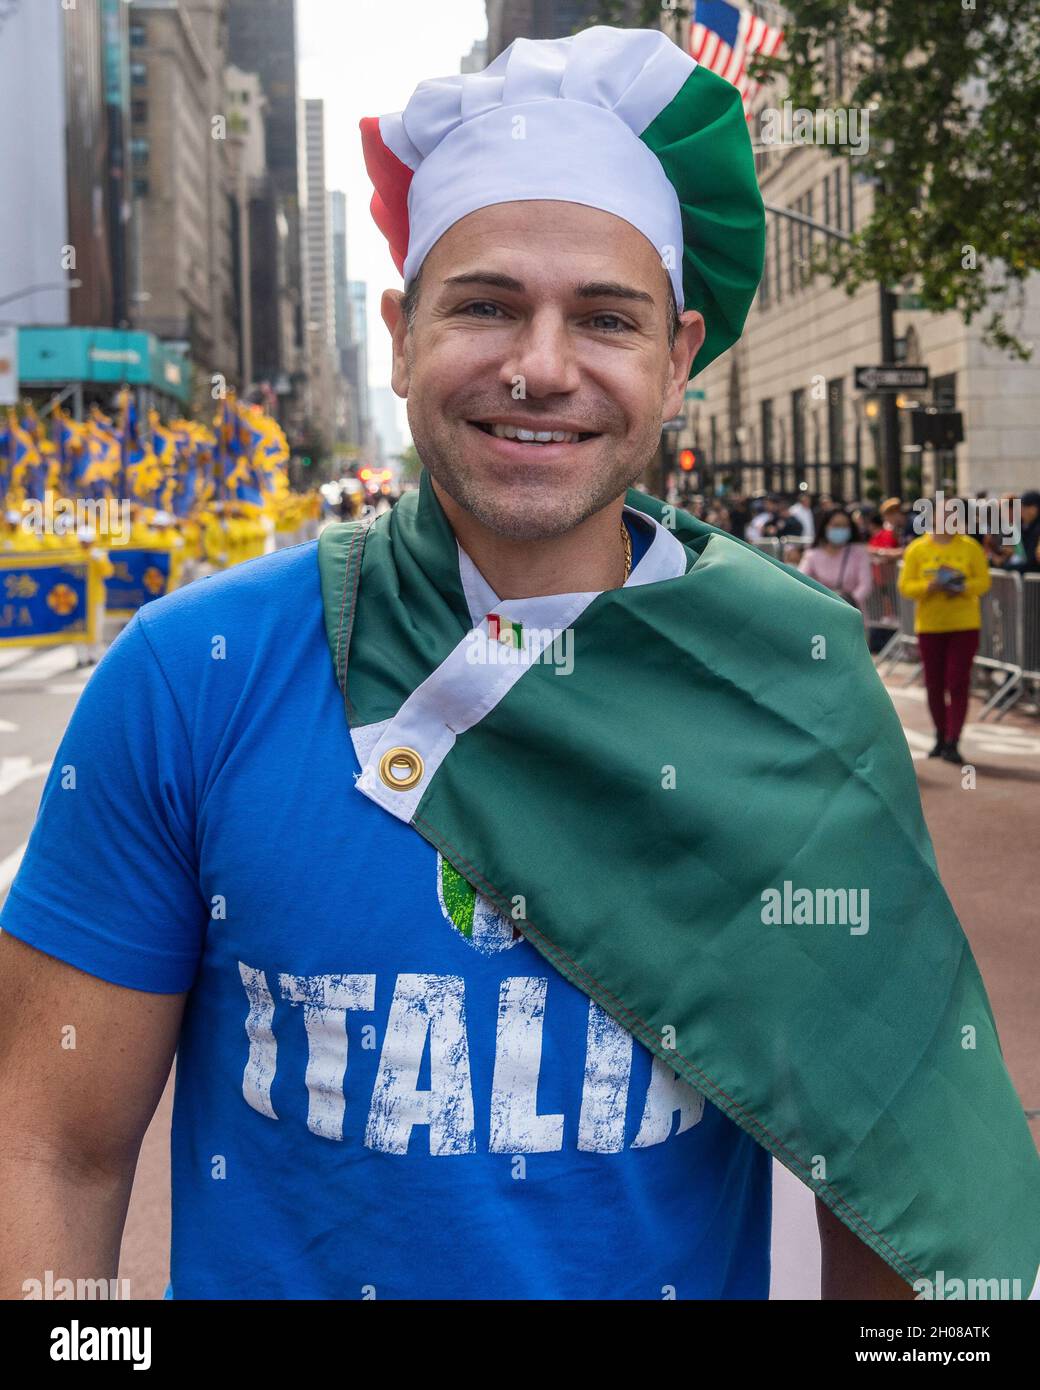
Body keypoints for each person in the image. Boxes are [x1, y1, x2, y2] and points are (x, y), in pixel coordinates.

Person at [2, 26, 1038, 1306]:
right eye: (484, 304)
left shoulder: (795, 688)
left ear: (675, 361)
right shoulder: (184, 676)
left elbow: (903, 1187)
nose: (540, 366)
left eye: (603, 319)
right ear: (397, 334)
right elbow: (50, 1143)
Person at [898, 504, 991, 763]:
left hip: (964, 624)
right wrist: (929, 586)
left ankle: (953, 739)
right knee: (934, 683)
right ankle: (940, 733)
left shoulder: (970, 547)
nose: (949, 519)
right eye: (944, 514)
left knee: (958, 681)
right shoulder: (918, 549)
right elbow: (905, 585)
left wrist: (962, 587)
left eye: (955, 515)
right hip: (930, 624)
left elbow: (983, 581)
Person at [798, 508, 873, 623]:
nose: (841, 529)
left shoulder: (859, 552)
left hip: (853, 617)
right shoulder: (812, 555)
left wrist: (846, 605)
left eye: (845, 526)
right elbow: (800, 581)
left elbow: (865, 585)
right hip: (822, 616)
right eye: (836, 525)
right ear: (825, 527)